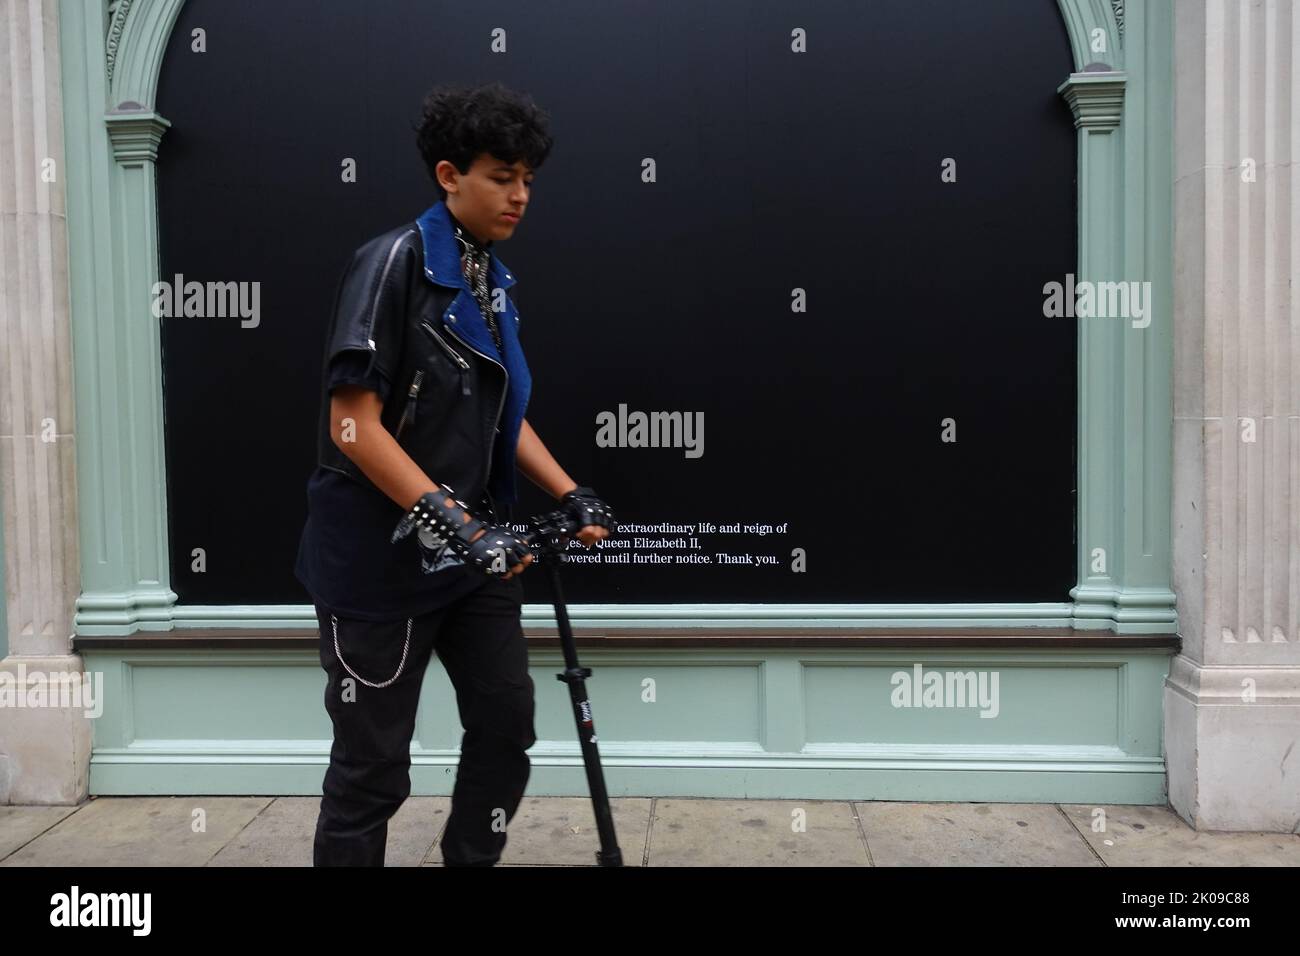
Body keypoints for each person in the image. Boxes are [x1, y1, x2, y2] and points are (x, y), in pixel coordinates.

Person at [294, 81, 614, 866]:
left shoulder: (491, 282)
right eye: (502, 175)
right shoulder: (393, 263)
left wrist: (569, 491)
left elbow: (501, 417)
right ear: (449, 175)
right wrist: (457, 523)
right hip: (379, 566)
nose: (520, 195)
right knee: (372, 771)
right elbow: (352, 426)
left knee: (507, 731)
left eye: (529, 179)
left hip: (474, 563)